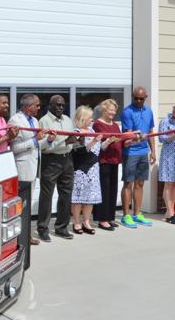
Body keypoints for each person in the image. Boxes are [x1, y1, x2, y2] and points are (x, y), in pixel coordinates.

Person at [9, 94, 45, 266]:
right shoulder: (15, 121)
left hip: (34, 166)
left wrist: (46, 140)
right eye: (36, 105)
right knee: (21, 204)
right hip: (23, 167)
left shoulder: (35, 121)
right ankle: (18, 237)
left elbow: (38, 145)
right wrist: (34, 140)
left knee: (28, 204)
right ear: (27, 106)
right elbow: (14, 148)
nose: (39, 108)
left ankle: (26, 234)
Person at [38, 95, 78, 241]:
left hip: (67, 159)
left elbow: (71, 141)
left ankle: (61, 227)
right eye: (58, 105)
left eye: (62, 105)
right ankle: (43, 229)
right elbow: (41, 145)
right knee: (46, 196)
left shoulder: (67, 120)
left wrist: (75, 141)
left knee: (66, 195)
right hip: (51, 160)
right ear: (50, 105)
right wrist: (62, 142)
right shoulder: (44, 121)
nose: (61, 107)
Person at [119, 86, 155, 228]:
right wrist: (139, 137)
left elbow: (151, 131)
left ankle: (137, 214)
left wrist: (153, 151)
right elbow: (129, 135)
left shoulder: (148, 111)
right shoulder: (127, 112)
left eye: (141, 98)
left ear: (146, 97)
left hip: (143, 152)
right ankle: (126, 215)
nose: (138, 101)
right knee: (128, 183)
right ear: (132, 97)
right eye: (136, 98)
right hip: (130, 152)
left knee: (140, 183)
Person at [69, 106, 104, 234]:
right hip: (80, 170)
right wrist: (95, 140)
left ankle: (86, 221)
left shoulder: (92, 130)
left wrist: (108, 141)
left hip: (94, 169)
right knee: (78, 198)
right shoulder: (76, 132)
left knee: (90, 197)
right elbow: (80, 151)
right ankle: (76, 222)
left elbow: (100, 148)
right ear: (83, 118)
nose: (92, 119)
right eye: (89, 117)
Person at [92, 99, 123, 230]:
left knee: (112, 189)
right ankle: (102, 219)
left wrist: (131, 139)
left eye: (115, 110)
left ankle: (110, 217)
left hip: (115, 160)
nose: (113, 112)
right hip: (104, 160)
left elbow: (121, 141)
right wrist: (109, 140)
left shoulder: (115, 125)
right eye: (111, 109)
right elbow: (100, 146)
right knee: (104, 190)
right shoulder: (97, 124)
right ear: (104, 110)